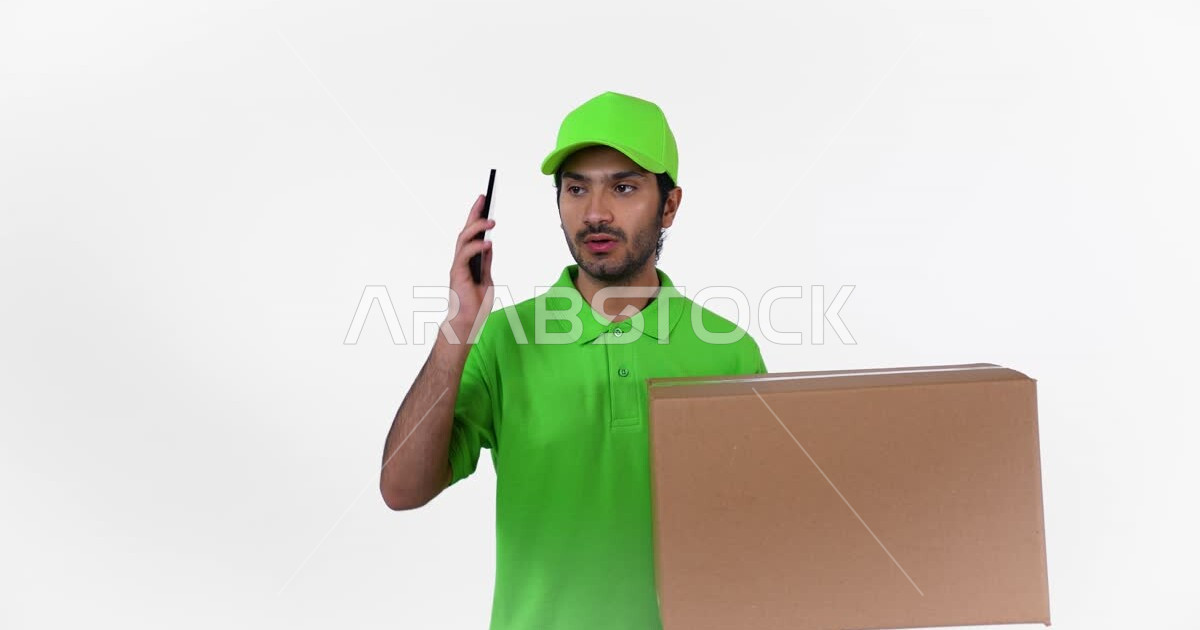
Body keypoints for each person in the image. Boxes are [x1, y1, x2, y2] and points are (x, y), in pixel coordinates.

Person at [379, 91, 768, 629]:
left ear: (670, 205)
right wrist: (458, 328)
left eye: (624, 187)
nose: (595, 213)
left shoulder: (729, 351)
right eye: (576, 189)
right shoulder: (502, 341)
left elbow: (764, 533)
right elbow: (401, 489)